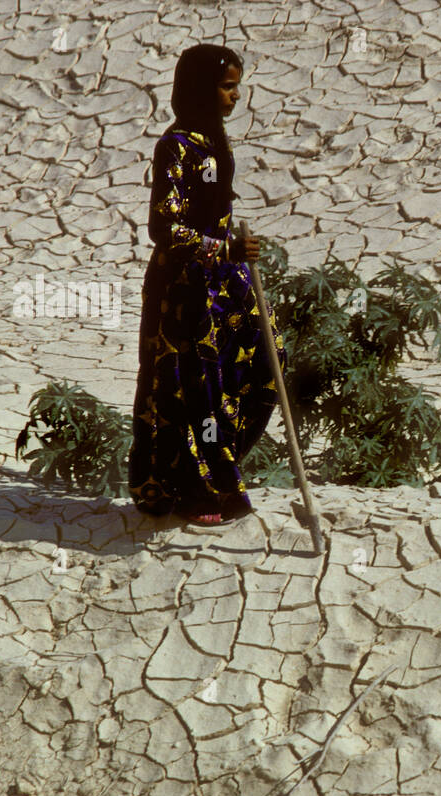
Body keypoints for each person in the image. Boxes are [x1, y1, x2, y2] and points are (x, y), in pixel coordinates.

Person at [128, 43, 285, 525]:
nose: (236, 95)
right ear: (200, 89)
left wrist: (234, 251)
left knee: (266, 360)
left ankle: (223, 469)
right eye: (227, 85)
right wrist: (223, 249)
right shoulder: (175, 146)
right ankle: (196, 491)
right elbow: (165, 228)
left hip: (225, 283)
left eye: (236, 84)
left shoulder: (216, 140)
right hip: (184, 288)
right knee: (191, 387)